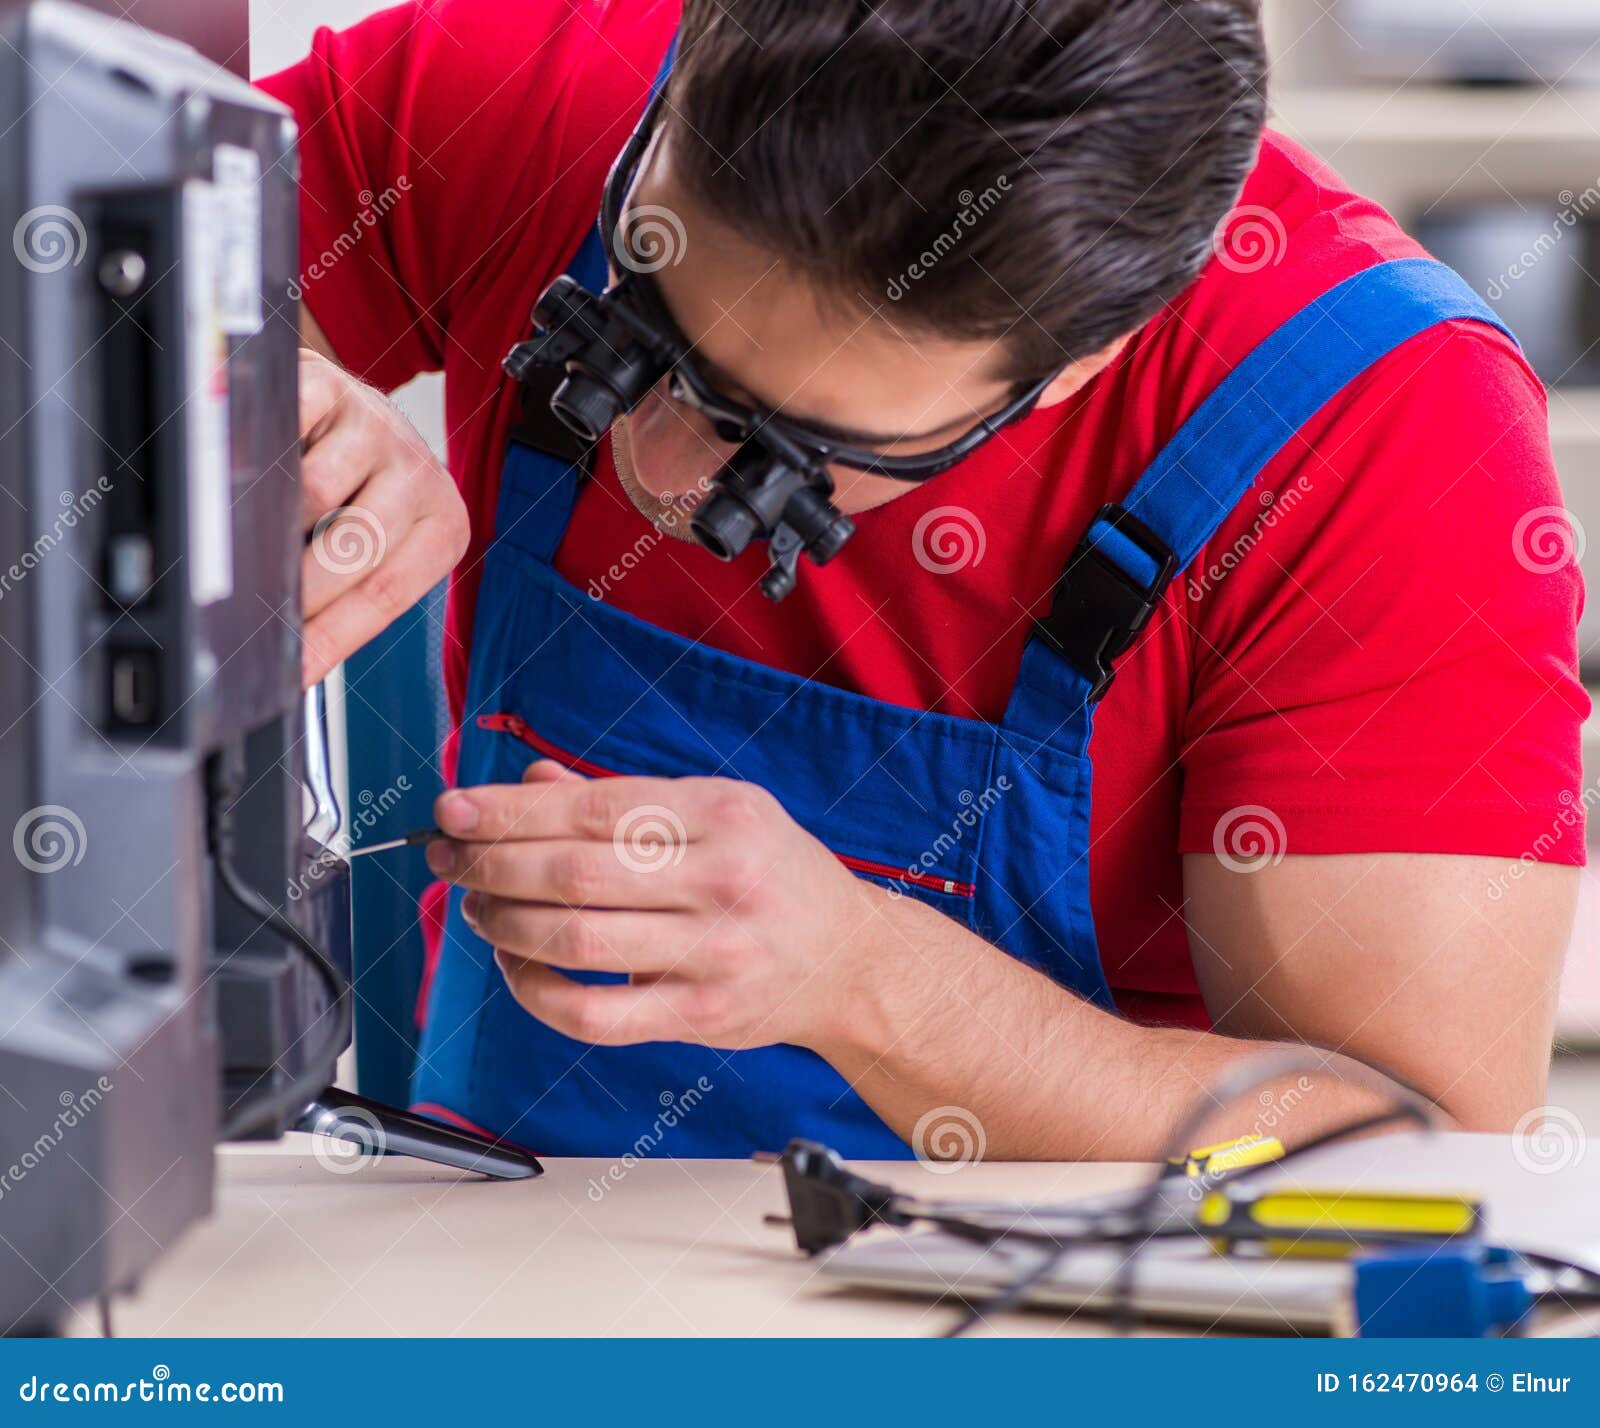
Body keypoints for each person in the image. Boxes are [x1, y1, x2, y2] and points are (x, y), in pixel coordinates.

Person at [260, 0, 1587, 1160]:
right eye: (631, 323)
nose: (654, 467)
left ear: (1083, 362)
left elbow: (1408, 1159)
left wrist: (871, 977)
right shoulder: (545, 75)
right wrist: (253, 402)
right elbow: (84, 295)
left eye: (784, 453)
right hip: (486, 1265)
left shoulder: (1380, 437)